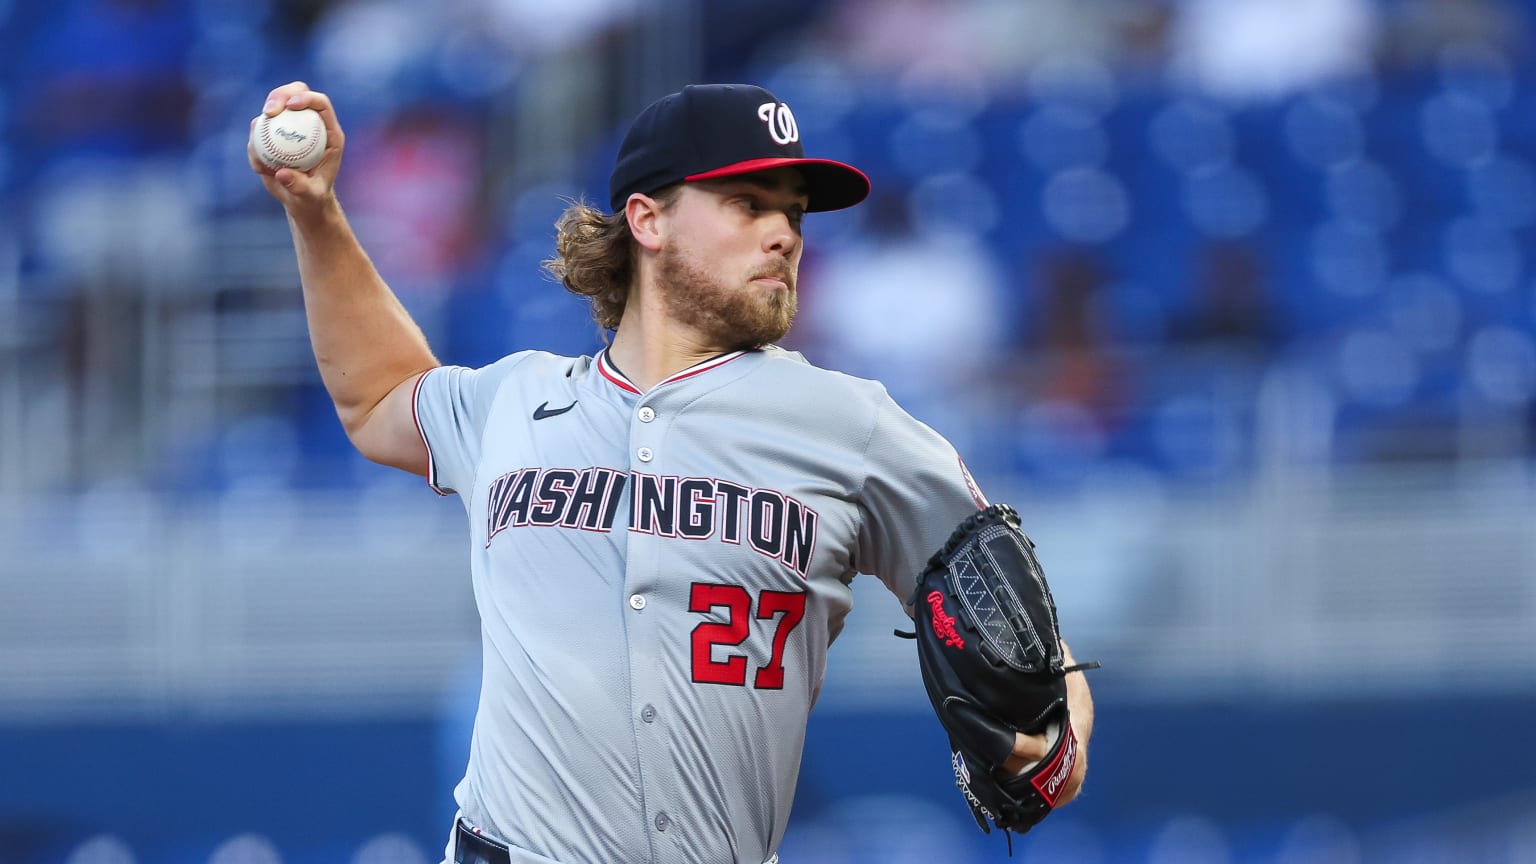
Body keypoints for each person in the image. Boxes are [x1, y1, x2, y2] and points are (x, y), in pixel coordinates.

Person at [250, 80, 1095, 864]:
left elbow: (1013, 612)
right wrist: (316, 213)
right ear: (648, 220)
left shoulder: (852, 425)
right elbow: (380, 395)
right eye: (747, 204)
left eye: (795, 213)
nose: (785, 233)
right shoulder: (517, 400)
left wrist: (1057, 747)